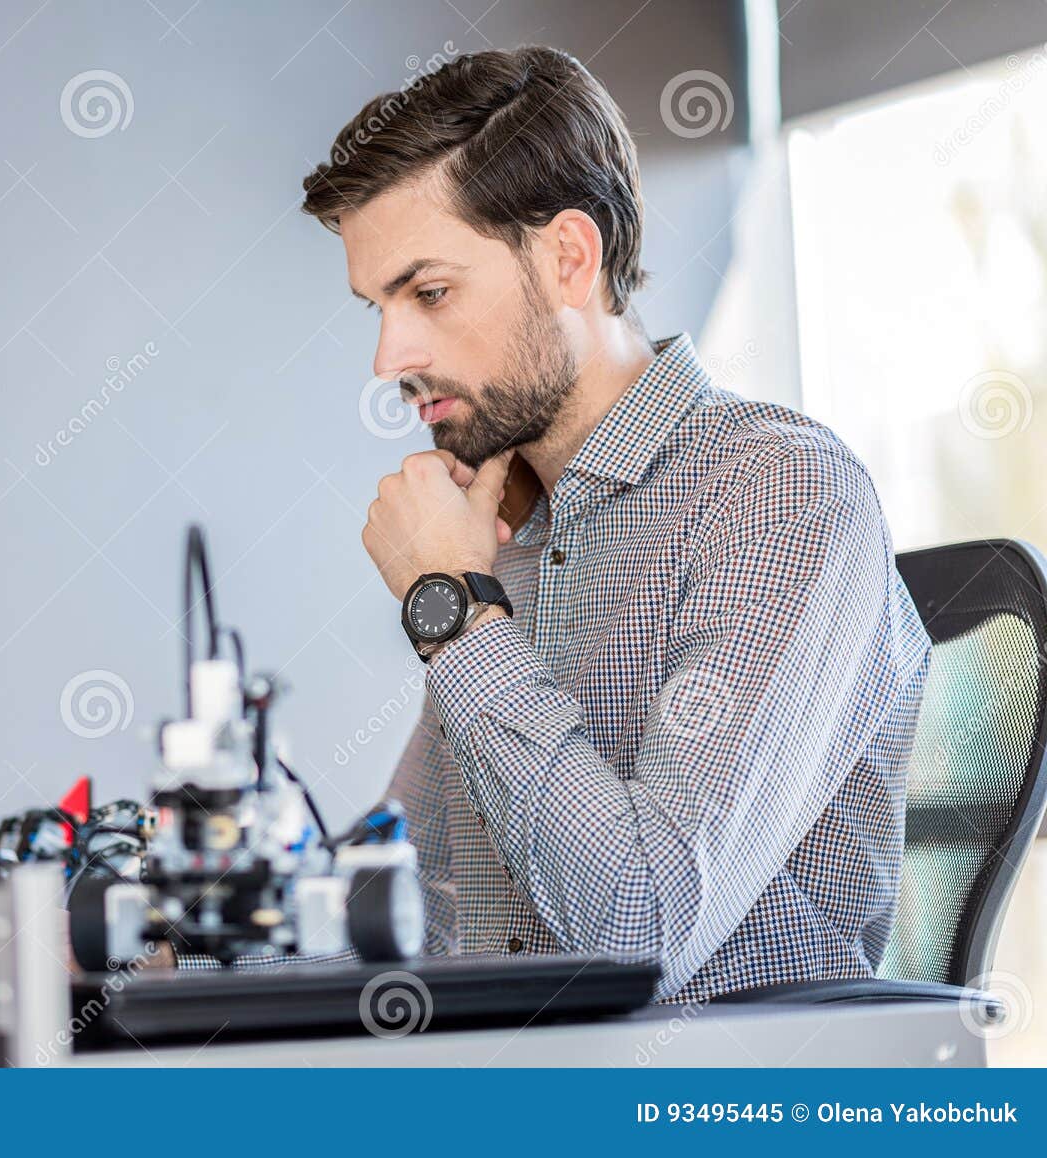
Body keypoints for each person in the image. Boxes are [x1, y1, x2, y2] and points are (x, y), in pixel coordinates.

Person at [282, 45, 930, 1002]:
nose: (390, 355)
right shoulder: (510, 536)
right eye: (377, 306)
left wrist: (454, 612)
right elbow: (406, 896)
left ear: (568, 259)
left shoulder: (780, 492)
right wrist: (154, 941)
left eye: (429, 292)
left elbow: (639, 927)